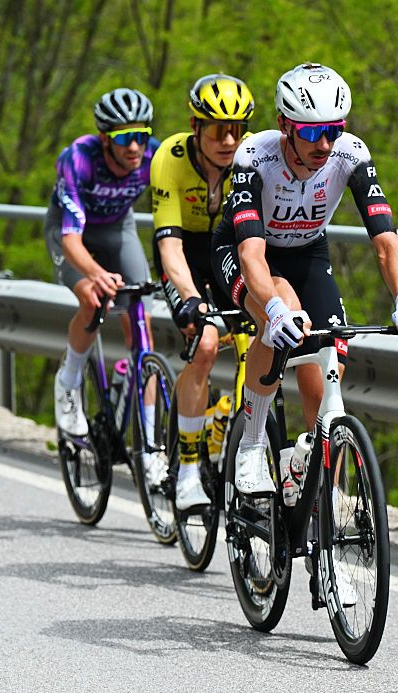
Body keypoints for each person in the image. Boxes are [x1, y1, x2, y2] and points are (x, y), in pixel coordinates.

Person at [211, 62, 398, 496]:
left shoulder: (350, 154)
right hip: (245, 252)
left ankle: (310, 472)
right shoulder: (255, 157)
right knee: (284, 315)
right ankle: (252, 446)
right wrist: (271, 310)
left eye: (333, 129)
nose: (324, 143)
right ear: (283, 126)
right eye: (311, 132)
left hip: (308, 251)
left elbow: (387, 242)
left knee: (327, 363)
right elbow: (252, 252)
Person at [150, 73, 254, 510]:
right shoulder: (170, 159)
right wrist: (192, 300)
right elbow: (169, 246)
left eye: (237, 129)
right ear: (196, 127)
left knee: (257, 338)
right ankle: (189, 470)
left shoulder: (250, 160)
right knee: (208, 341)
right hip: (184, 256)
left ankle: (233, 434)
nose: (228, 140)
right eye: (217, 129)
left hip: (226, 249)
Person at [46, 88, 160, 468]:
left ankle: (149, 445)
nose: (135, 148)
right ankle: (69, 379)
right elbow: (70, 238)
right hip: (72, 234)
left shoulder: (153, 157)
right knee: (95, 299)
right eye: (126, 138)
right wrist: (96, 274)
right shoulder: (78, 159)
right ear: (106, 139)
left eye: (141, 136)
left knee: (140, 314)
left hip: (117, 228)